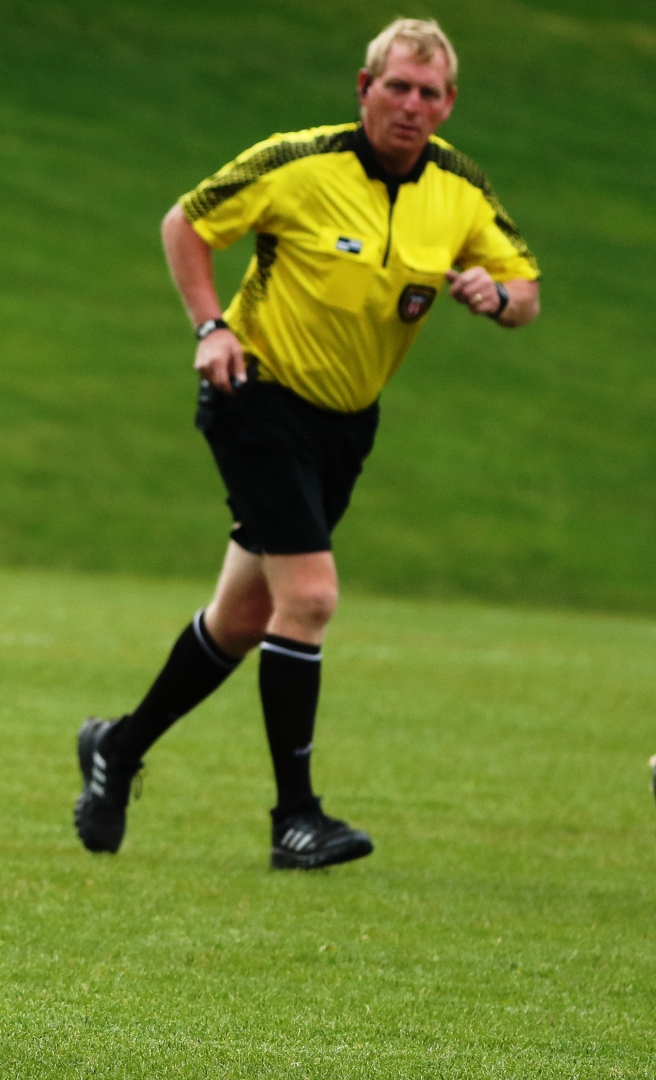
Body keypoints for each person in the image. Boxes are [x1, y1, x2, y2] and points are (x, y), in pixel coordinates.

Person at [74, 19, 539, 870]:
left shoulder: (459, 188)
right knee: (312, 597)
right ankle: (297, 819)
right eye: (396, 86)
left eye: (428, 93)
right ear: (364, 88)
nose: (411, 105)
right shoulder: (298, 163)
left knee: (247, 615)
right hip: (257, 397)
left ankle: (119, 747)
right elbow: (187, 222)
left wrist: (496, 295)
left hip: (347, 423)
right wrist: (211, 326)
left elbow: (525, 286)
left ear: (449, 103)